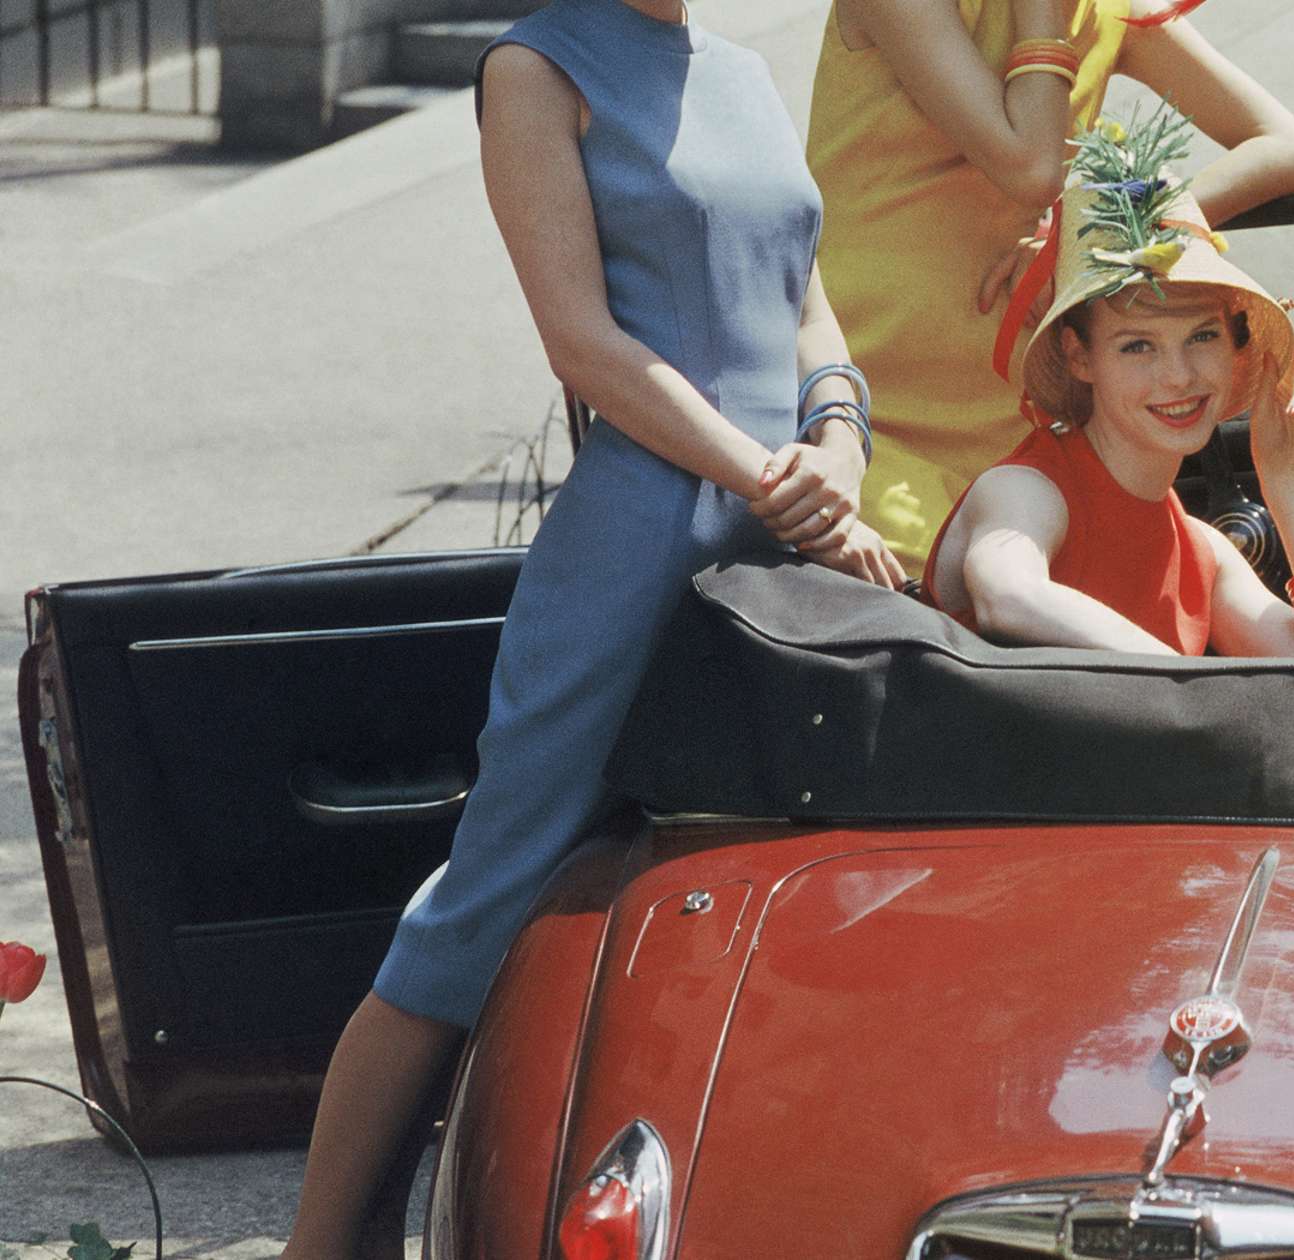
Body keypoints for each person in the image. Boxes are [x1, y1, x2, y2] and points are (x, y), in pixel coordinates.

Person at [280, 1, 899, 1253]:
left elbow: (807, 309)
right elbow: (583, 341)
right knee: (484, 902)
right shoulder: (534, 64)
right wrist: (770, 474)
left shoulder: (737, 72)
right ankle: (320, 1242)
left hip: (789, 528)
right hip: (639, 538)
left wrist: (836, 437)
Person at [810, 0, 1294, 576]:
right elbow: (1031, 168)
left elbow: (1289, 149)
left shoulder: (1109, 10)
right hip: (869, 409)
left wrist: (1099, 235)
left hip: (1024, 415)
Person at [923, 111, 1294, 660]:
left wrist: (1293, 487)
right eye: (1137, 346)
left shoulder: (1203, 552)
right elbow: (1008, 595)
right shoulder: (1027, 488)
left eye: (1202, 336)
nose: (1179, 375)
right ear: (1078, 356)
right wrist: (1191, 686)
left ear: (1235, 346)